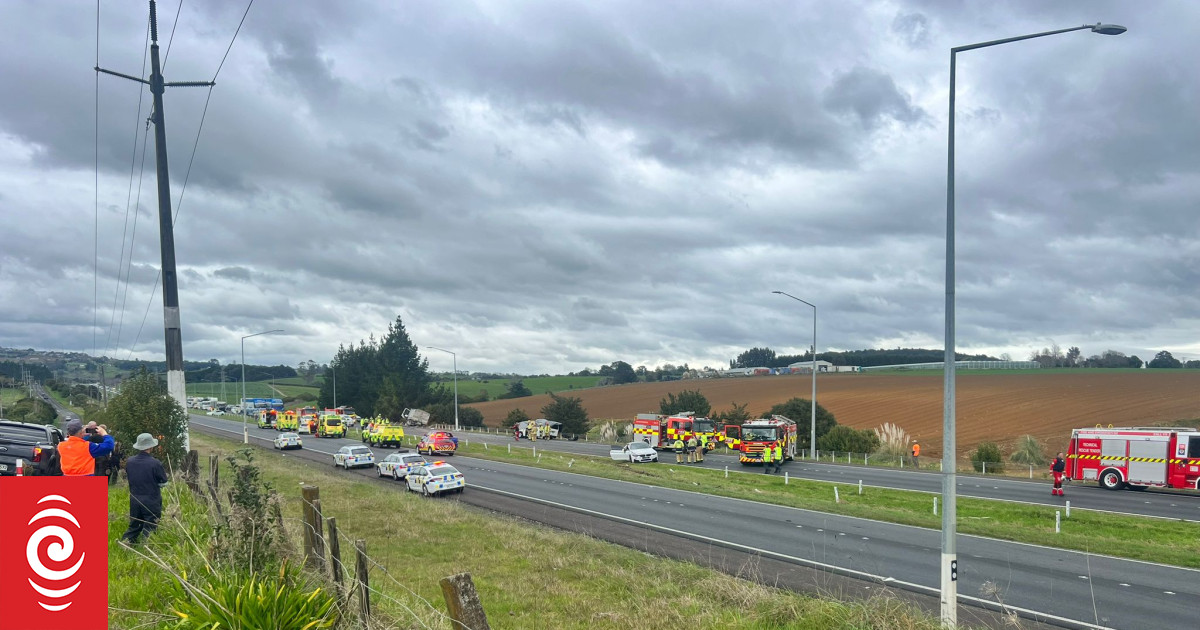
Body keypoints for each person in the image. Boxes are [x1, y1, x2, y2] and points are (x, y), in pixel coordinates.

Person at [122, 433, 169, 544]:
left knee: (134, 525)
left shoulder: (130, 461)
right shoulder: (155, 463)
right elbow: (164, 482)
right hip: (151, 499)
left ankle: (126, 544)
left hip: (135, 498)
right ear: (151, 446)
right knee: (151, 525)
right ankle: (147, 547)